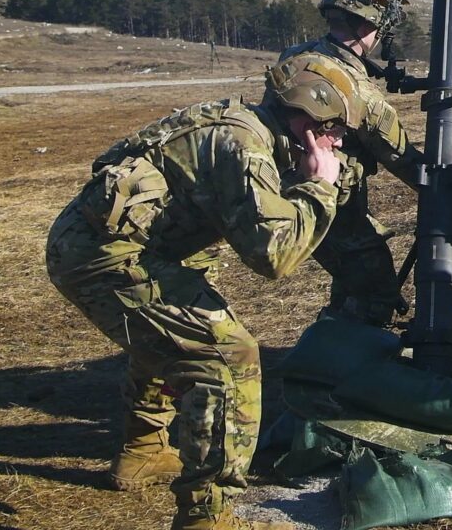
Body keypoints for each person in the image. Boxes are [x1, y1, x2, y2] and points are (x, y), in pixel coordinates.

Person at [45, 56, 353, 530]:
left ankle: (143, 449)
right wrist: (319, 188)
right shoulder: (244, 146)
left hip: (105, 245)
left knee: (173, 330)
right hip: (103, 258)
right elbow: (274, 256)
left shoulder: (247, 127)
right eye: (333, 130)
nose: (338, 143)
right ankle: (207, 516)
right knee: (227, 356)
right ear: (306, 121)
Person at [278, 0, 424, 327]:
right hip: (328, 201)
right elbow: (402, 158)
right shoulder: (359, 92)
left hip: (285, 189)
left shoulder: (295, 57)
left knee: (350, 280)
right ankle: (343, 352)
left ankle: (337, 330)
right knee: (375, 289)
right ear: (369, 26)